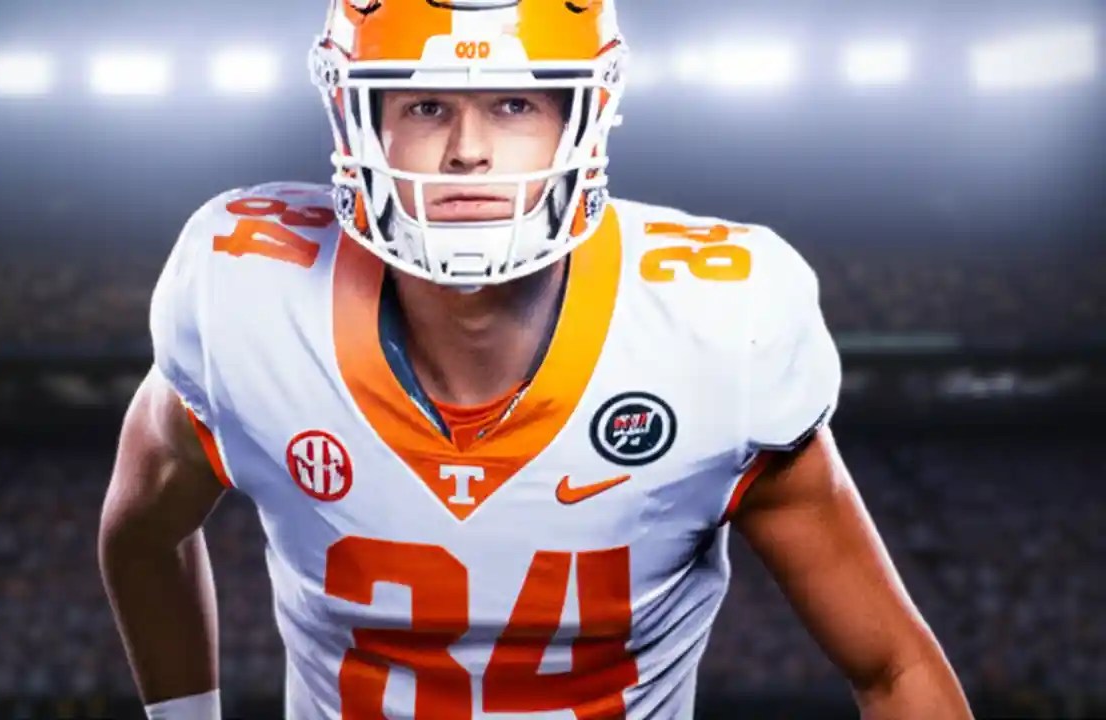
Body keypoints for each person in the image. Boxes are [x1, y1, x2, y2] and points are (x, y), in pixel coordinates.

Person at [98, 1, 973, 718]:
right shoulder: (245, 290)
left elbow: (896, 669)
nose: (469, 149)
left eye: (515, 105)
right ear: (357, 119)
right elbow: (141, 537)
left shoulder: (718, 323)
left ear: (581, 121)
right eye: (425, 105)